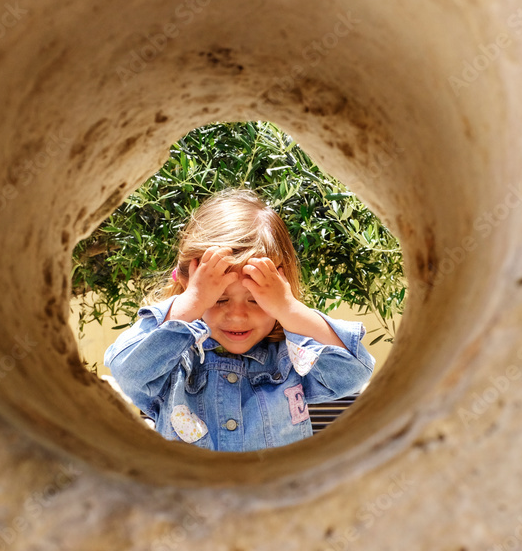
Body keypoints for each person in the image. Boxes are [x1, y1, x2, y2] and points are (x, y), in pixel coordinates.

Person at [104, 188, 375, 452]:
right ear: (187, 284)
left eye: (257, 300)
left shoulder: (291, 358)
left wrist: (289, 308)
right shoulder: (173, 357)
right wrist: (191, 301)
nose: (237, 315)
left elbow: (353, 372)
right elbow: (127, 370)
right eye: (218, 299)